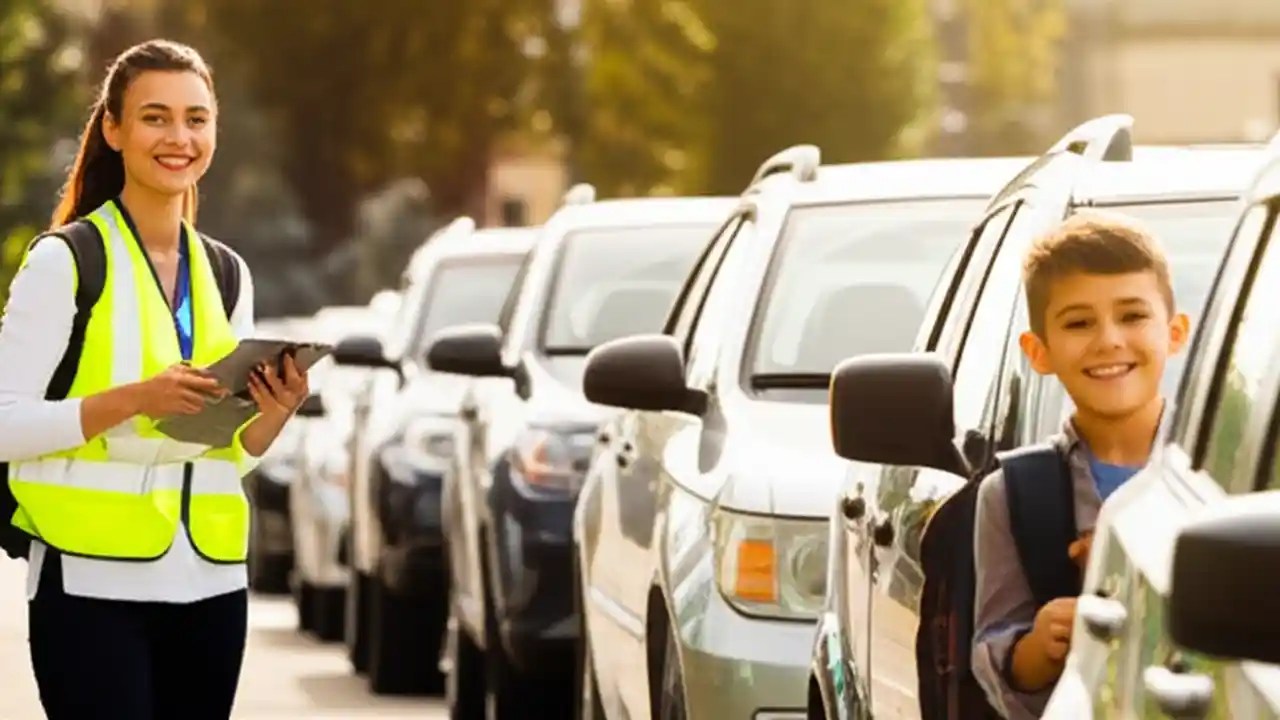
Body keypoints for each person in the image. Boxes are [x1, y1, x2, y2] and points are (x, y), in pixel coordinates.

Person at [0, 39, 308, 719]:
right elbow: (3, 423)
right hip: (90, 586)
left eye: (197, 120)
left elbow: (224, 454)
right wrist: (136, 399)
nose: (180, 137)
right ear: (113, 129)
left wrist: (270, 418)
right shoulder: (65, 262)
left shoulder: (227, 274)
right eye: (155, 117)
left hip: (210, 585)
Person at [970, 212, 1191, 719]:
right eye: (1078, 323)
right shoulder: (1018, 495)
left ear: (1175, 333)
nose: (1109, 340)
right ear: (1038, 351)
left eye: (1133, 316)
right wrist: (1041, 645)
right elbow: (995, 654)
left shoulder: (1218, 473)